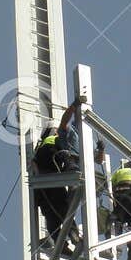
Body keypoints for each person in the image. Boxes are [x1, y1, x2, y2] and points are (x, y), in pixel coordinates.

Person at [32, 100, 80, 247]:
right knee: (62, 208)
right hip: (52, 176)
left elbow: (34, 164)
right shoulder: (57, 139)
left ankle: (63, 244)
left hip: (43, 182)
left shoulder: (42, 146)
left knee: (52, 216)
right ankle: (71, 236)